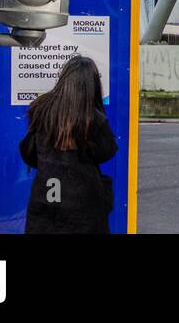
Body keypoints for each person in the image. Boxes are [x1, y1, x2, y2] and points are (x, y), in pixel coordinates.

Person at [19, 55, 117, 234]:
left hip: (45, 200)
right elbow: (107, 152)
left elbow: (29, 153)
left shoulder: (40, 108)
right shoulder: (94, 119)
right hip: (84, 206)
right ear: (92, 84)